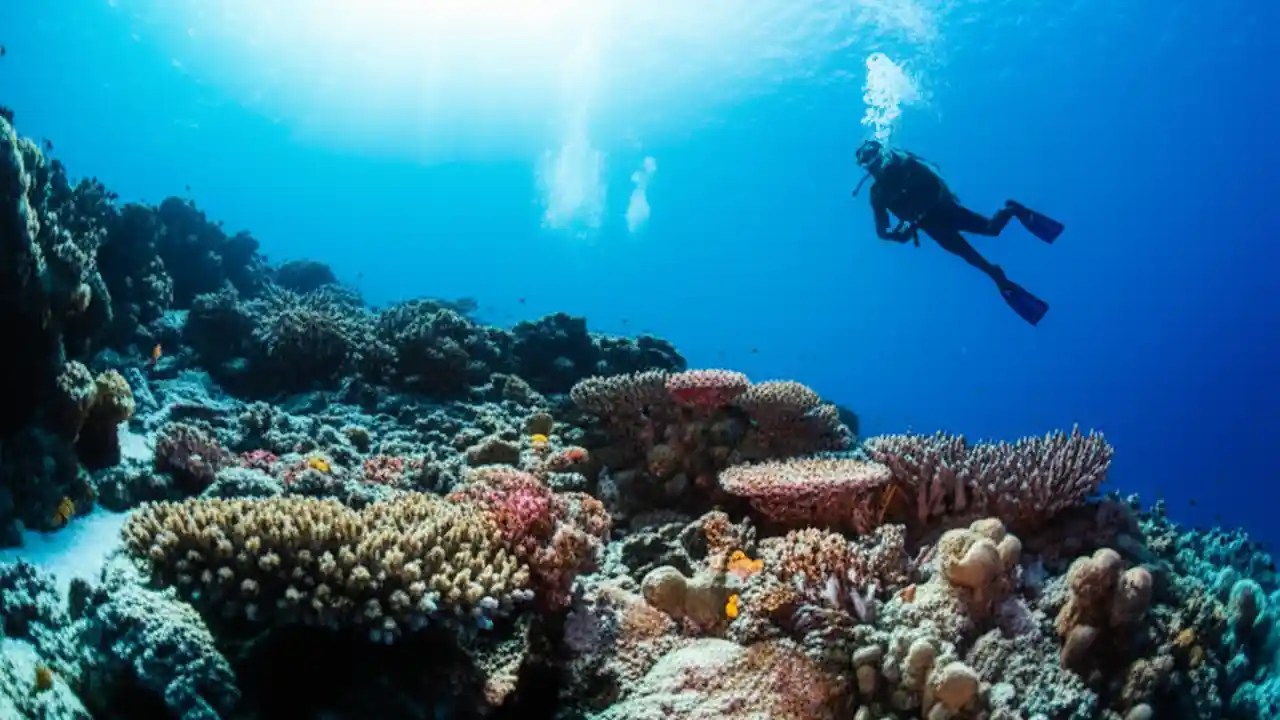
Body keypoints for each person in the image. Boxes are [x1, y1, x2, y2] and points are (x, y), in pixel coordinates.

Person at [852, 139, 1064, 325]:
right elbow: (882, 230)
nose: (877, 167)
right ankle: (1000, 280)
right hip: (933, 228)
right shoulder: (878, 193)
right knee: (973, 259)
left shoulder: (907, 165)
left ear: (883, 154)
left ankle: (1013, 210)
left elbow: (936, 181)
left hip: (948, 212)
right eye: (870, 165)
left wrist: (923, 212)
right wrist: (898, 234)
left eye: (877, 160)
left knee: (992, 230)